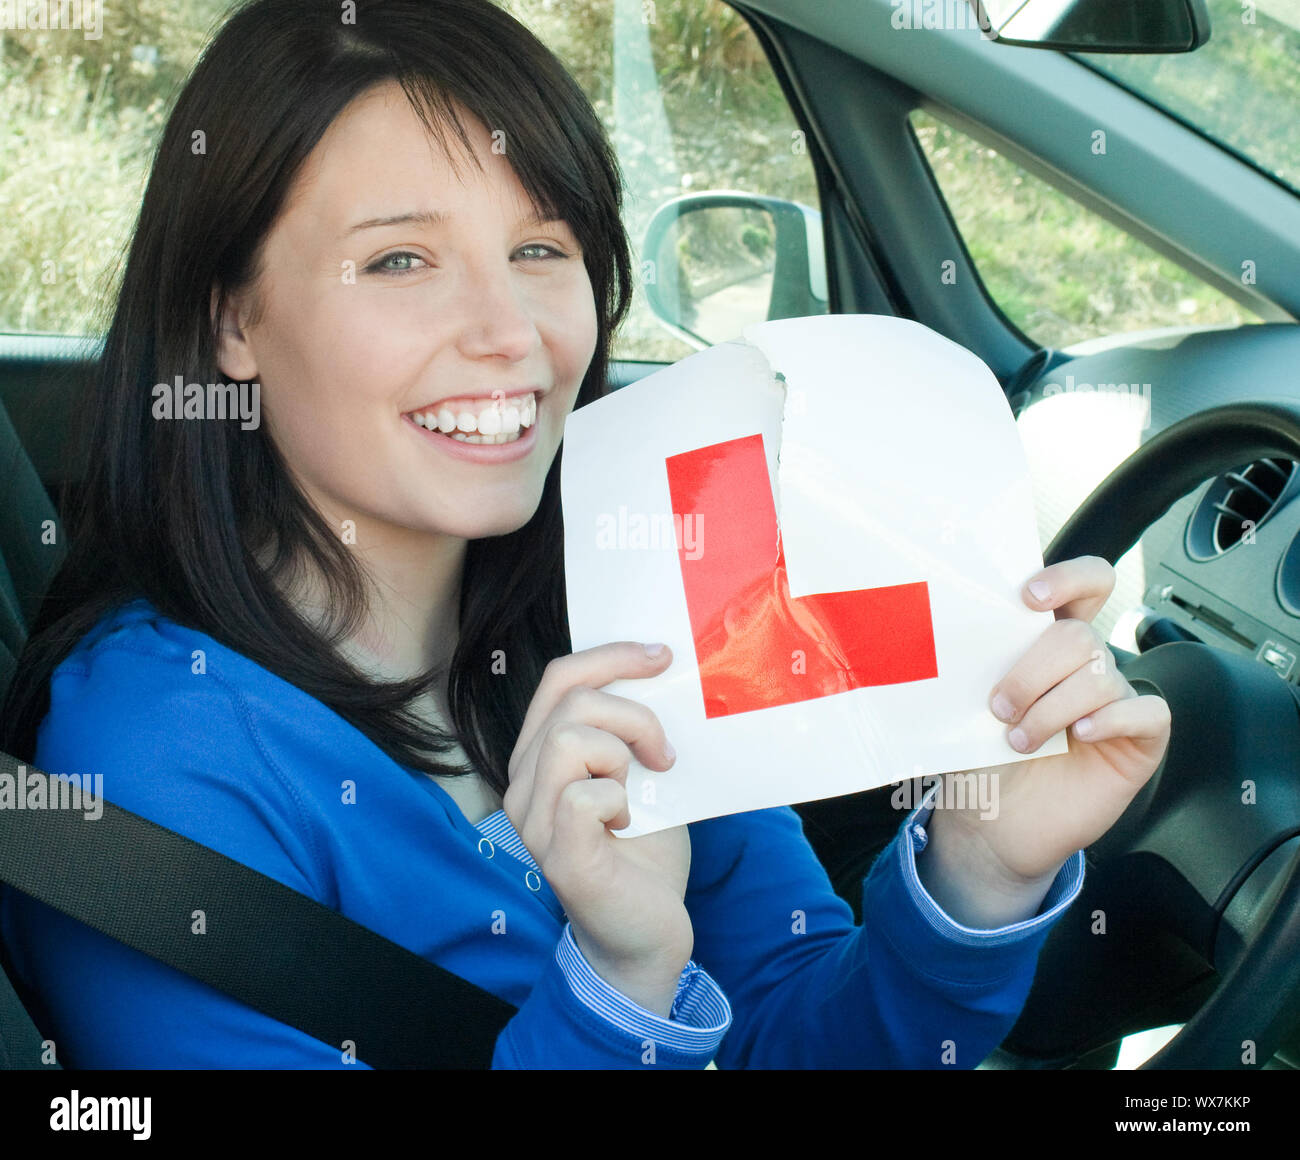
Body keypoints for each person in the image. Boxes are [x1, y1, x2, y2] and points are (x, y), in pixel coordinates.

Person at [0, 0, 1170, 1069]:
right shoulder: (150, 760)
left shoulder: (635, 610)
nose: (509, 330)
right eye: (401, 259)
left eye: (541, 249)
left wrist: (980, 867)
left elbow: (800, 1039)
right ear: (231, 321)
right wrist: (616, 981)